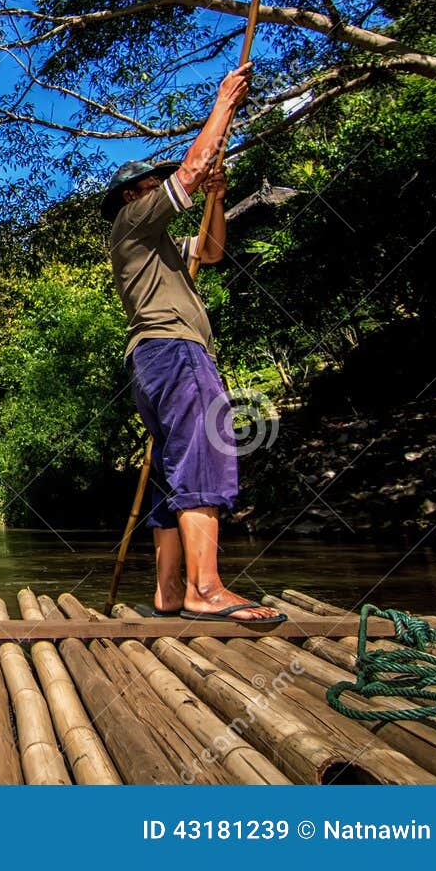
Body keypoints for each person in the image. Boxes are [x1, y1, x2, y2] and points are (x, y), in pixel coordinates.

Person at [100, 61, 283, 623]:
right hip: (174, 353)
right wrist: (225, 100)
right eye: (154, 184)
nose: (162, 188)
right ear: (136, 194)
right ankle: (207, 590)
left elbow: (210, 252)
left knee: (171, 468)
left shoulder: (157, 246)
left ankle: (172, 592)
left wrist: (217, 200)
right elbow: (196, 162)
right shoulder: (132, 220)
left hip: (155, 362)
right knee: (203, 452)